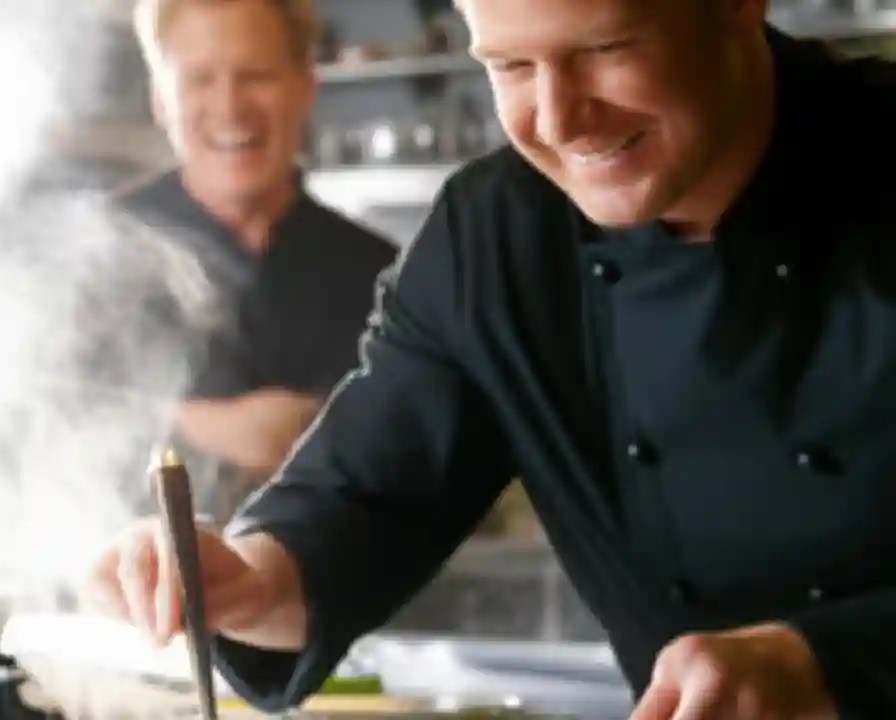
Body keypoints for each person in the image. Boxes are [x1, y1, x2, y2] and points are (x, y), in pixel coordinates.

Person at [87, 0, 896, 717]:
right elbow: (367, 492)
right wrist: (247, 578)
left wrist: (832, 662)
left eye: (605, 48)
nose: (559, 118)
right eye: (510, 66)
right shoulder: (497, 233)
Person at [116, 0, 396, 514]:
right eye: (200, 79)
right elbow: (35, 422)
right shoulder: (99, 253)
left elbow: (425, 453)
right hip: (128, 584)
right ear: (161, 98)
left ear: (305, 88)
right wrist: (202, 427)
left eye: (256, 75)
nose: (230, 108)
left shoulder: (383, 274)